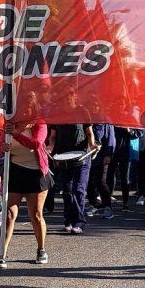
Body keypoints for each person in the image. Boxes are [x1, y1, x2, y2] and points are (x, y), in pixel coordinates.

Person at [0, 93, 51, 269]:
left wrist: (16, 134)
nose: (23, 112)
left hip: (36, 173)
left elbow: (36, 144)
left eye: (27, 107)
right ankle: (1, 254)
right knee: (9, 214)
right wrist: (3, 148)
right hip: (15, 171)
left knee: (36, 215)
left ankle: (41, 249)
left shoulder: (40, 123)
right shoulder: (8, 125)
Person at [49, 91, 97, 233]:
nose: (67, 98)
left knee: (78, 189)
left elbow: (89, 132)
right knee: (67, 191)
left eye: (70, 95)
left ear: (75, 97)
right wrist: (50, 147)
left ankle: (79, 222)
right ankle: (69, 220)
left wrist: (92, 144)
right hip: (63, 157)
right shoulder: (57, 114)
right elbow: (52, 137)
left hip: (81, 157)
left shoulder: (82, 111)